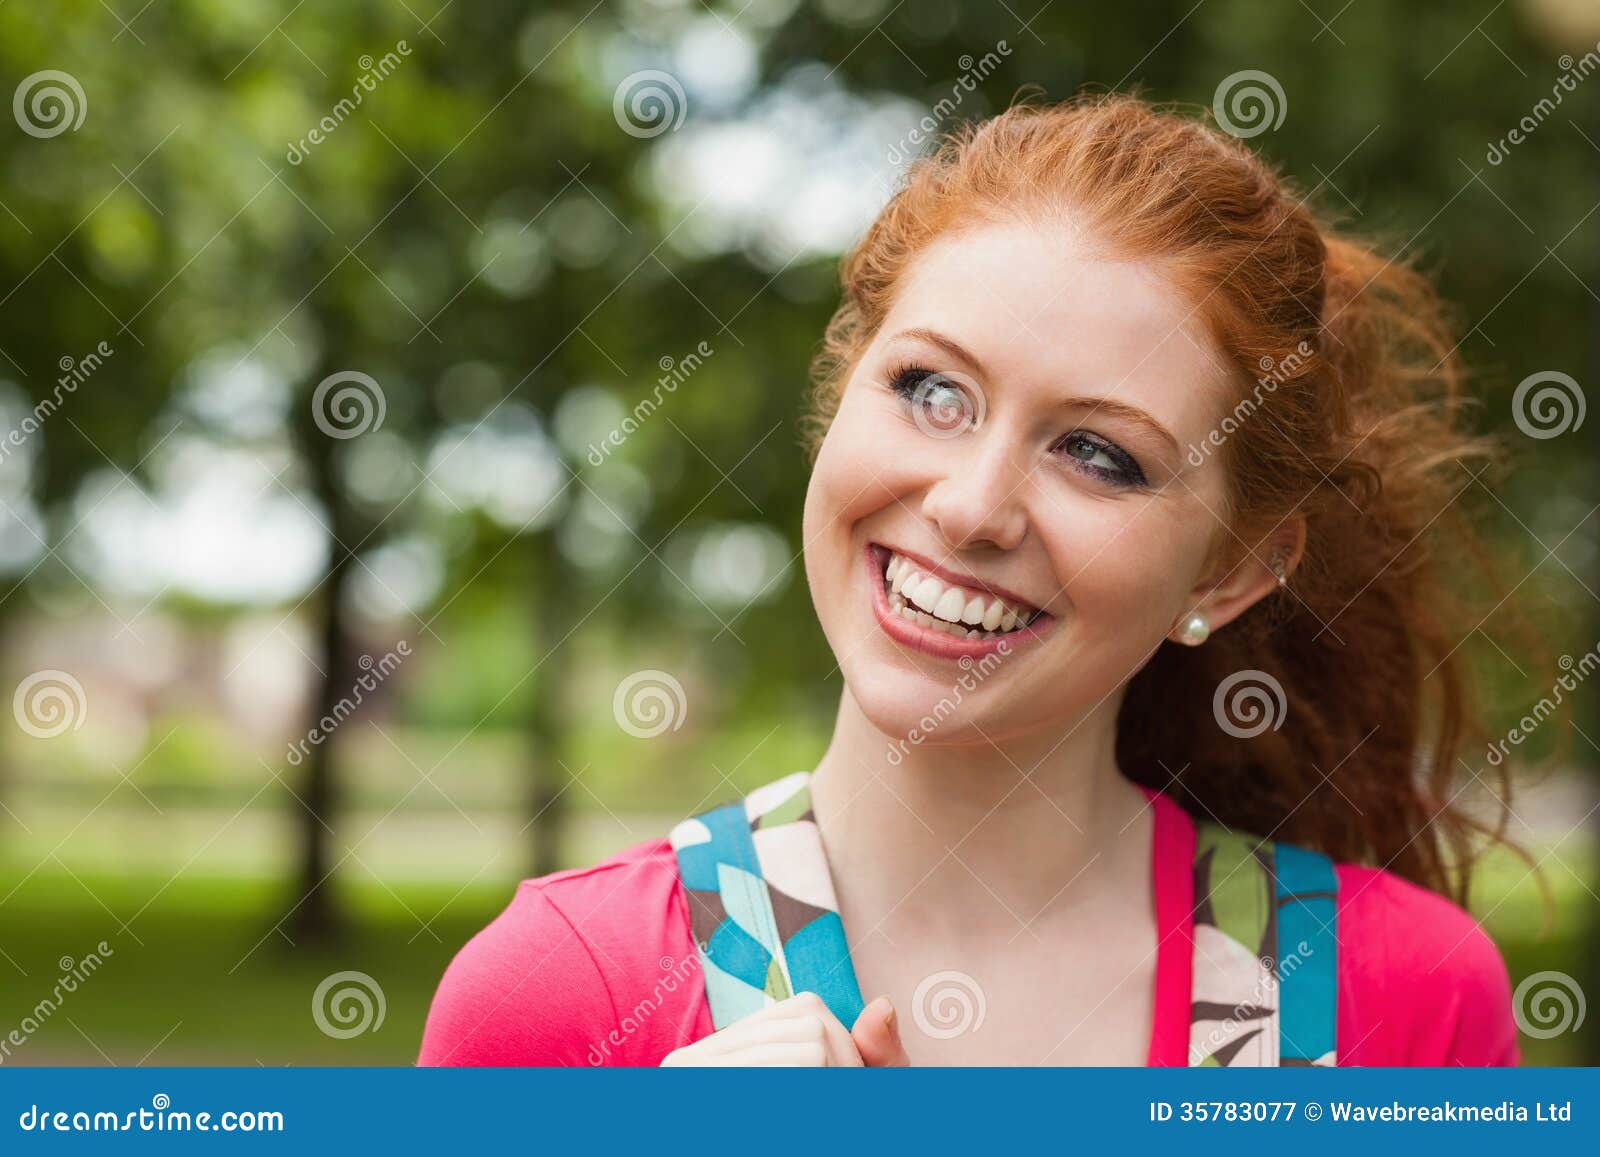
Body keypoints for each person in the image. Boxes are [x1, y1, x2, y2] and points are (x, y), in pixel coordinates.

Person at [417, 94, 1523, 1067]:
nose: (970, 506)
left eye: (1099, 454)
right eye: (932, 391)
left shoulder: (1410, 997)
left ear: (1231, 570)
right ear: (842, 389)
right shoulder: (561, 995)